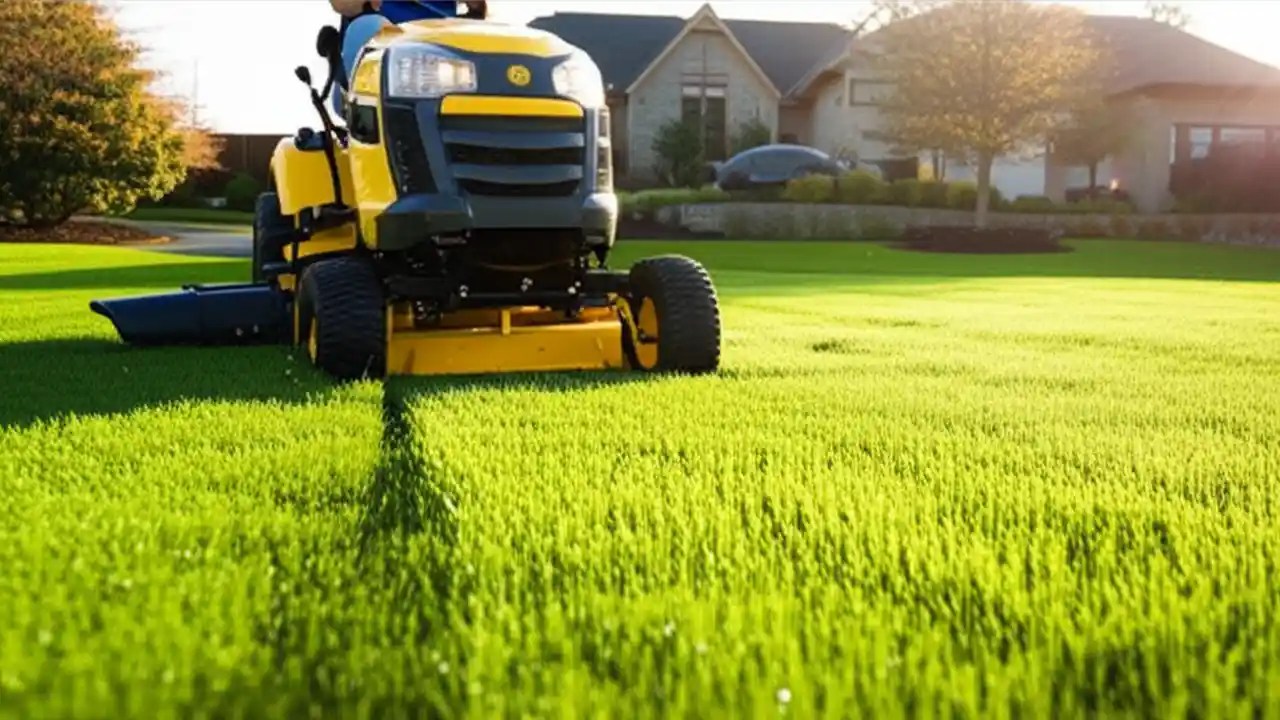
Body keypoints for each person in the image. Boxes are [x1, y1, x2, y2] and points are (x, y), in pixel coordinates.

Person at [328, 1, 488, 113]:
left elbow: (478, 10)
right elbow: (342, 3)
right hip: (384, 54)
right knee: (365, 27)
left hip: (437, 55)